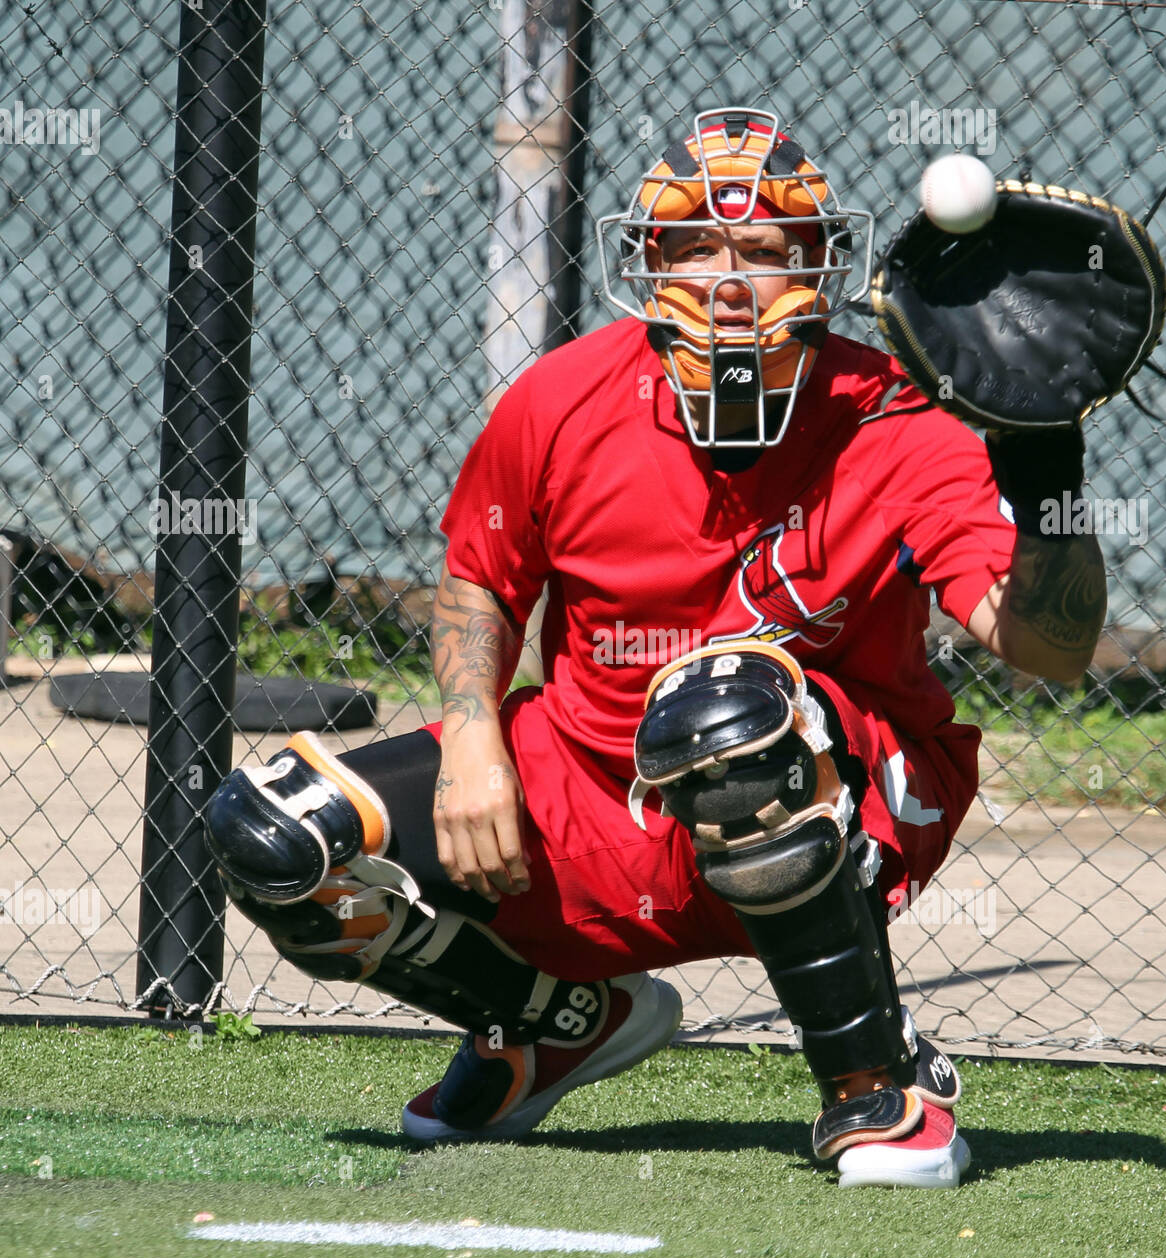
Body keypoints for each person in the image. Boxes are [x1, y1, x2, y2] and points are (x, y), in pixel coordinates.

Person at [205, 108, 1105, 1189]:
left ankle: (876, 1087)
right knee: (273, 834)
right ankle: (549, 1024)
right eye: (695, 247)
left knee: (724, 710)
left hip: (827, 783)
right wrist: (474, 739)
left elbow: (1047, 649)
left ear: (821, 267)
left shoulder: (891, 415)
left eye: (768, 253)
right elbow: (478, 582)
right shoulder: (563, 395)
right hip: (591, 787)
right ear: (647, 258)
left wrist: (1051, 468)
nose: (731, 282)